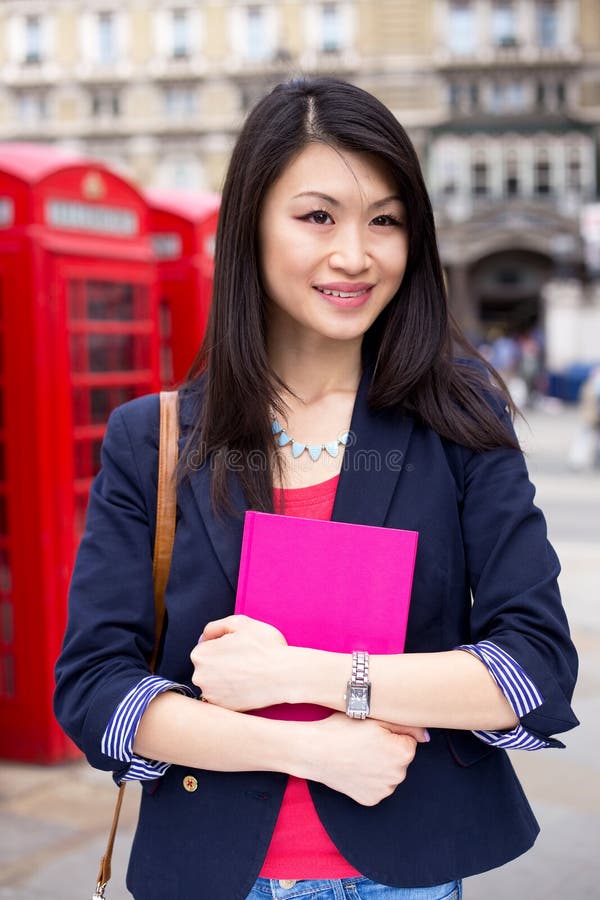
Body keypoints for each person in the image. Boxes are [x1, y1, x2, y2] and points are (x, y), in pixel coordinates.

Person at [54, 77, 578, 900]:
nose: (355, 255)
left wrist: (304, 676)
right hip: (217, 872)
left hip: (404, 876)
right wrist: (304, 748)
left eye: (385, 220)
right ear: (251, 228)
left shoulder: (459, 422)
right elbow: (94, 690)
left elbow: (534, 667)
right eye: (317, 216)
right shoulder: (154, 438)